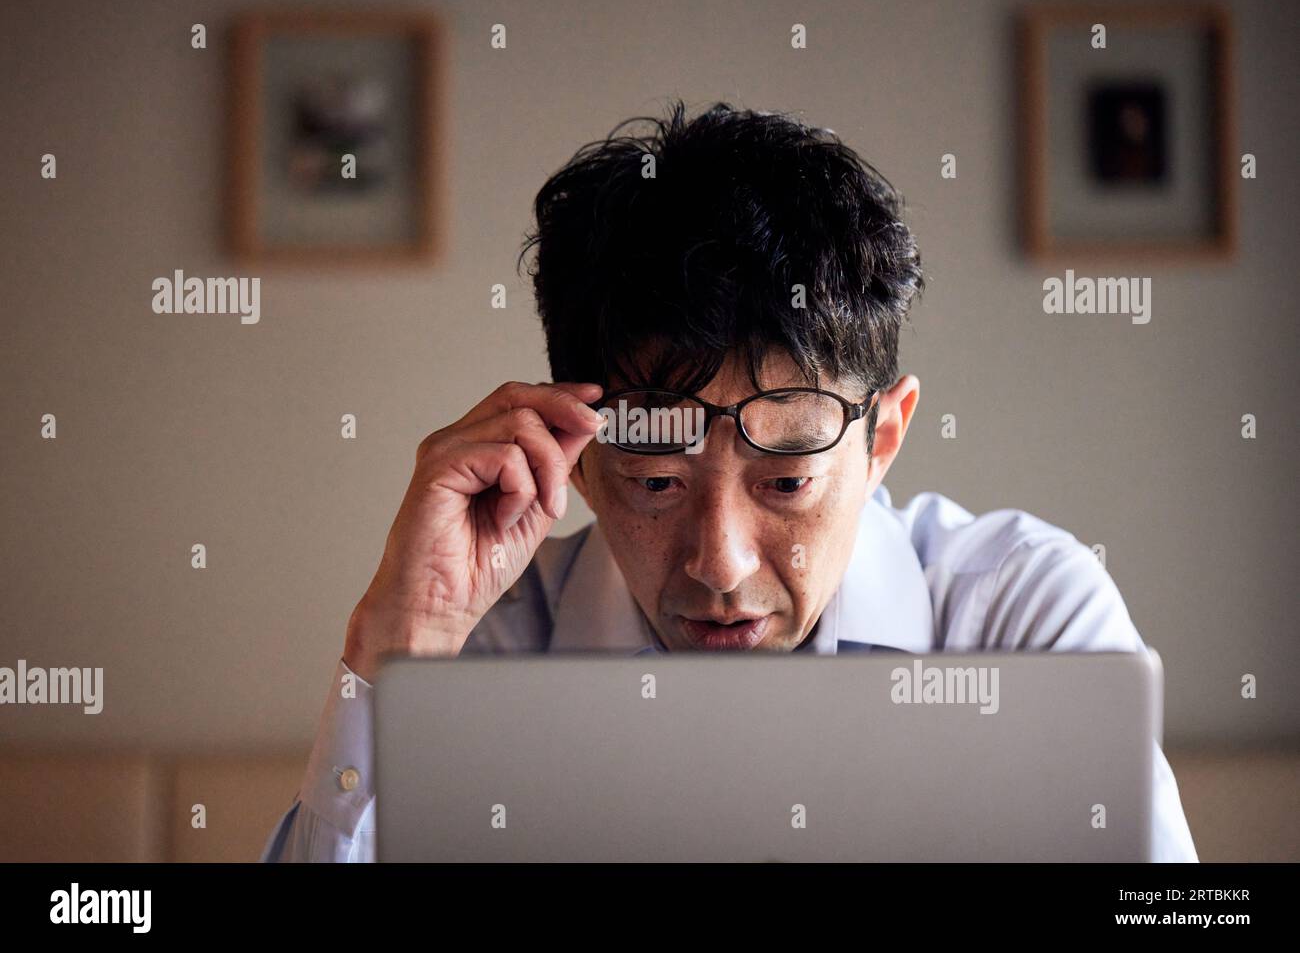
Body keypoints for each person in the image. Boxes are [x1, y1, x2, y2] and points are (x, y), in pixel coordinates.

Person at [261, 100, 1198, 862]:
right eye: (656, 479)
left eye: (786, 480)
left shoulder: (1021, 619)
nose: (719, 562)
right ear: (576, 455)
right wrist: (403, 635)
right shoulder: (483, 657)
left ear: (884, 439)